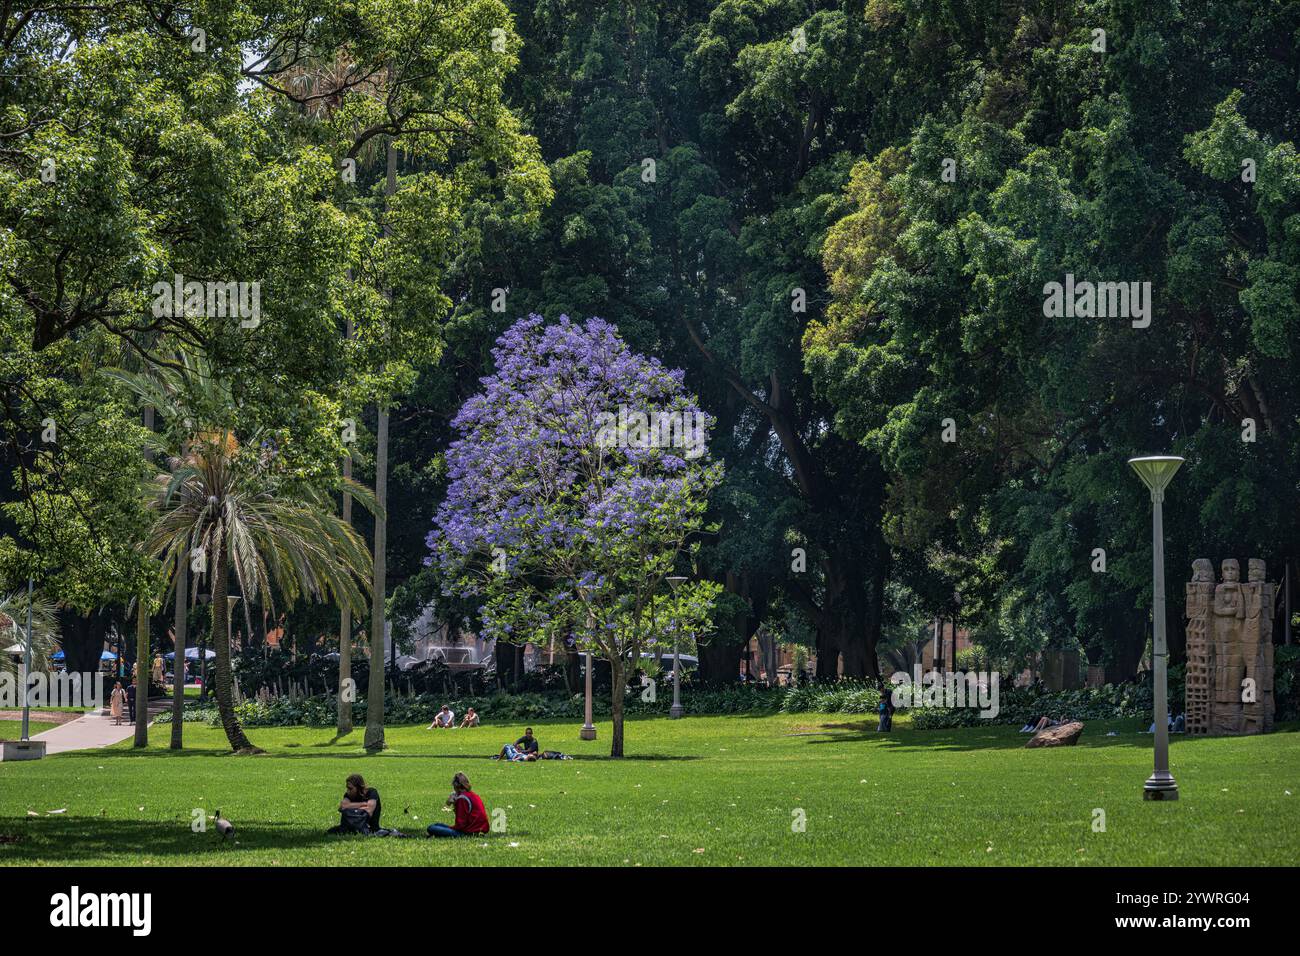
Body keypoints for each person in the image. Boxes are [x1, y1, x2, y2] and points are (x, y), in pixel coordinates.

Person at [427, 772, 490, 838]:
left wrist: (454, 804)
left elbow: (460, 825)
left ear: (455, 786)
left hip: (469, 832)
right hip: (479, 829)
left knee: (431, 828)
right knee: (437, 825)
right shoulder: (472, 794)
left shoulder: (462, 799)